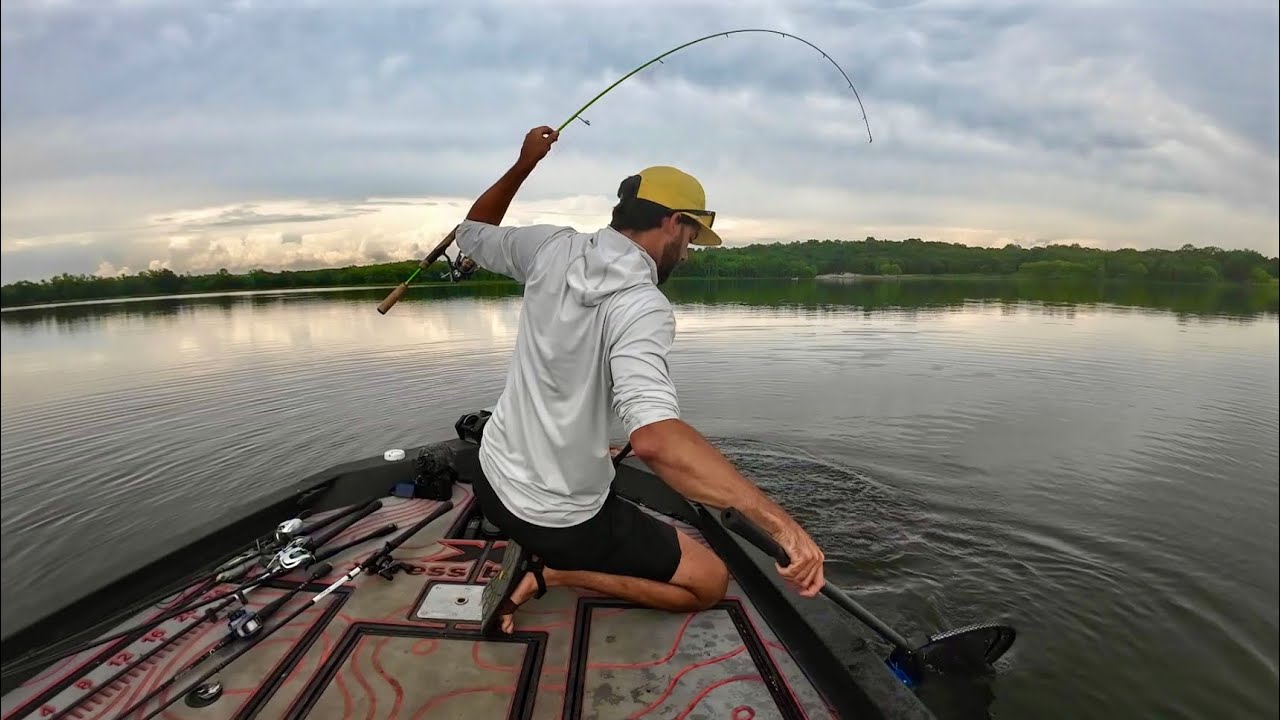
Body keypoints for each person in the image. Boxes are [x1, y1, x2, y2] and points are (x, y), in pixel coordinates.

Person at [454, 125, 827, 635]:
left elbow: (471, 229)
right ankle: (553, 573)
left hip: (490, 475)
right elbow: (654, 440)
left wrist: (525, 162)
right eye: (692, 238)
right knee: (709, 583)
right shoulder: (642, 306)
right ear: (673, 223)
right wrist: (782, 525)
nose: (689, 253)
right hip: (556, 518)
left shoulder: (549, 247)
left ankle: (549, 546)